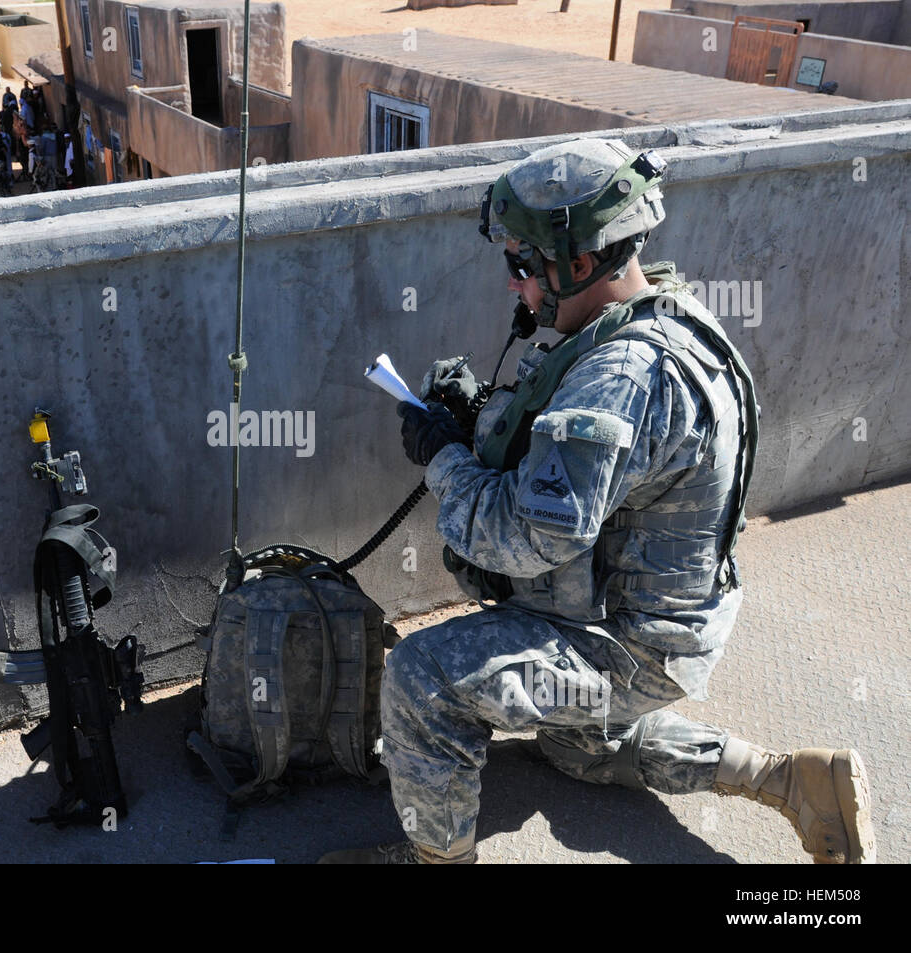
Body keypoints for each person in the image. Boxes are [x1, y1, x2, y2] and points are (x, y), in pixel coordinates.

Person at [321, 138, 875, 865]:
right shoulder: (655, 319)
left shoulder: (624, 376)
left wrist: (445, 456)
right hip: (663, 628)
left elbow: (519, 535)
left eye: (523, 265)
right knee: (576, 750)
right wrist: (481, 421)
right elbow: (583, 466)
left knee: (423, 677)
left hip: (629, 650)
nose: (515, 286)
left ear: (578, 264)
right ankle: (788, 778)